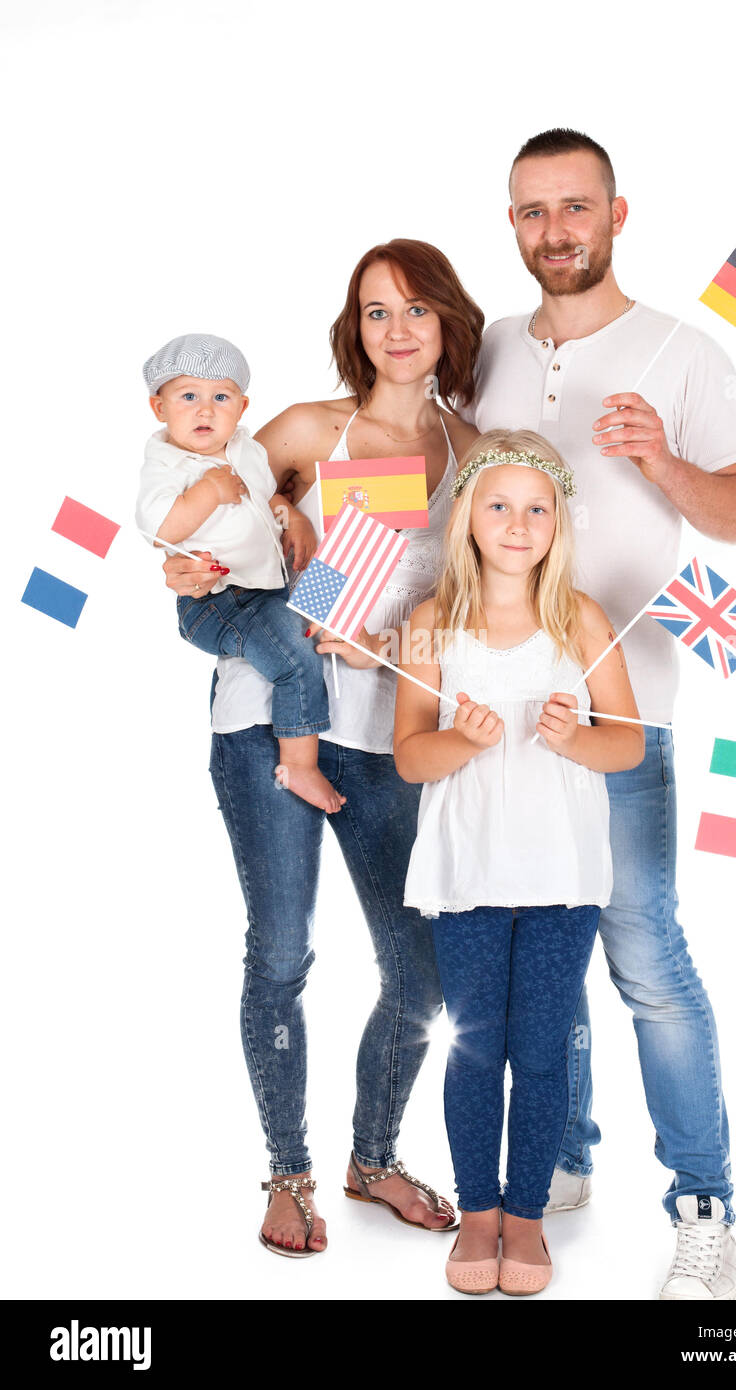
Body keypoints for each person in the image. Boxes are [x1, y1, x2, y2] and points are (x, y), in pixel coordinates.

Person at [468, 128, 736, 1300]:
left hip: (628, 702)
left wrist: (663, 468)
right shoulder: (491, 347)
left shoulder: (680, 351)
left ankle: (704, 1209)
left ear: (616, 212)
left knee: (643, 956)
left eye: (574, 207)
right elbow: (414, 478)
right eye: (532, 211)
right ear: (512, 225)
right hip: (497, 708)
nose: (555, 230)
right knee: (536, 942)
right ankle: (561, 1160)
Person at [161, 241, 482, 1255]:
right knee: (284, 950)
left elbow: (476, 592)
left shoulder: (469, 449)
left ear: (445, 327)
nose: (395, 329)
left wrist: (395, 636)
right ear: (356, 327)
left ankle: (371, 1157)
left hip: (385, 727)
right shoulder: (307, 426)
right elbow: (223, 519)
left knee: (421, 971)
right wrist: (206, 557)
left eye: (415, 311)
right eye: (374, 311)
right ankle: (287, 1170)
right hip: (270, 717)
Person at [395, 430, 644, 1295]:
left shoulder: (581, 618)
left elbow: (629, 746)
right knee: (473, 1049)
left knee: (541, 1048)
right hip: (466, 874)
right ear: (466, 515)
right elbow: (408, 757)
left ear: (558, 524)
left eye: (537, 508)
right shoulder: (431, 622)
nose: (517, 522)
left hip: (561, 877)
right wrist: (458, 741)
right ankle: (478, 1214)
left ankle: (527, 1218)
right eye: (498, 504)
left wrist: (579, 737)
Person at [137, 333, 343, 812]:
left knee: (326, 607)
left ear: (242, 405)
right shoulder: (168, 464)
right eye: (188, 396)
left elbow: (264, 493)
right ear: (159, 407)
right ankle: (299, 764)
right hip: (217, 600)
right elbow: (157, 526)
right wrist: (207, 491)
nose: (205, 411)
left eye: (221, 398)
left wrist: (291, 513)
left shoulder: (245, 448)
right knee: (294, 654)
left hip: (267, 586)